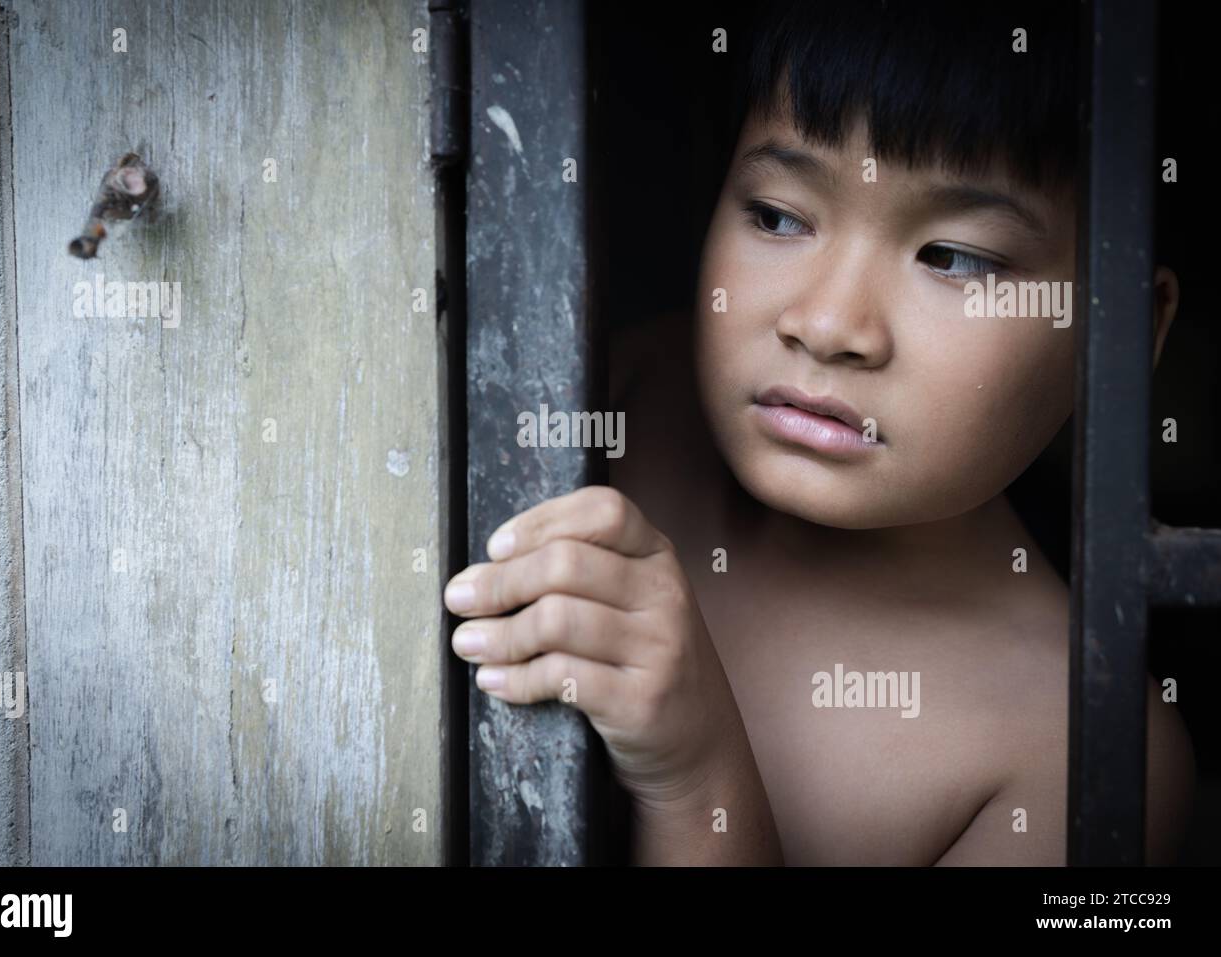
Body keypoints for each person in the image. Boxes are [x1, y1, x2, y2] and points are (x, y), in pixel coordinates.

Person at [443, 0, 1195, 865]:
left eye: (953, 258)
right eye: (777, 214)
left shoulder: (1077, 749)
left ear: (1123, 327)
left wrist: (697, 781)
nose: (829, 322)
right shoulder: (589, 396)